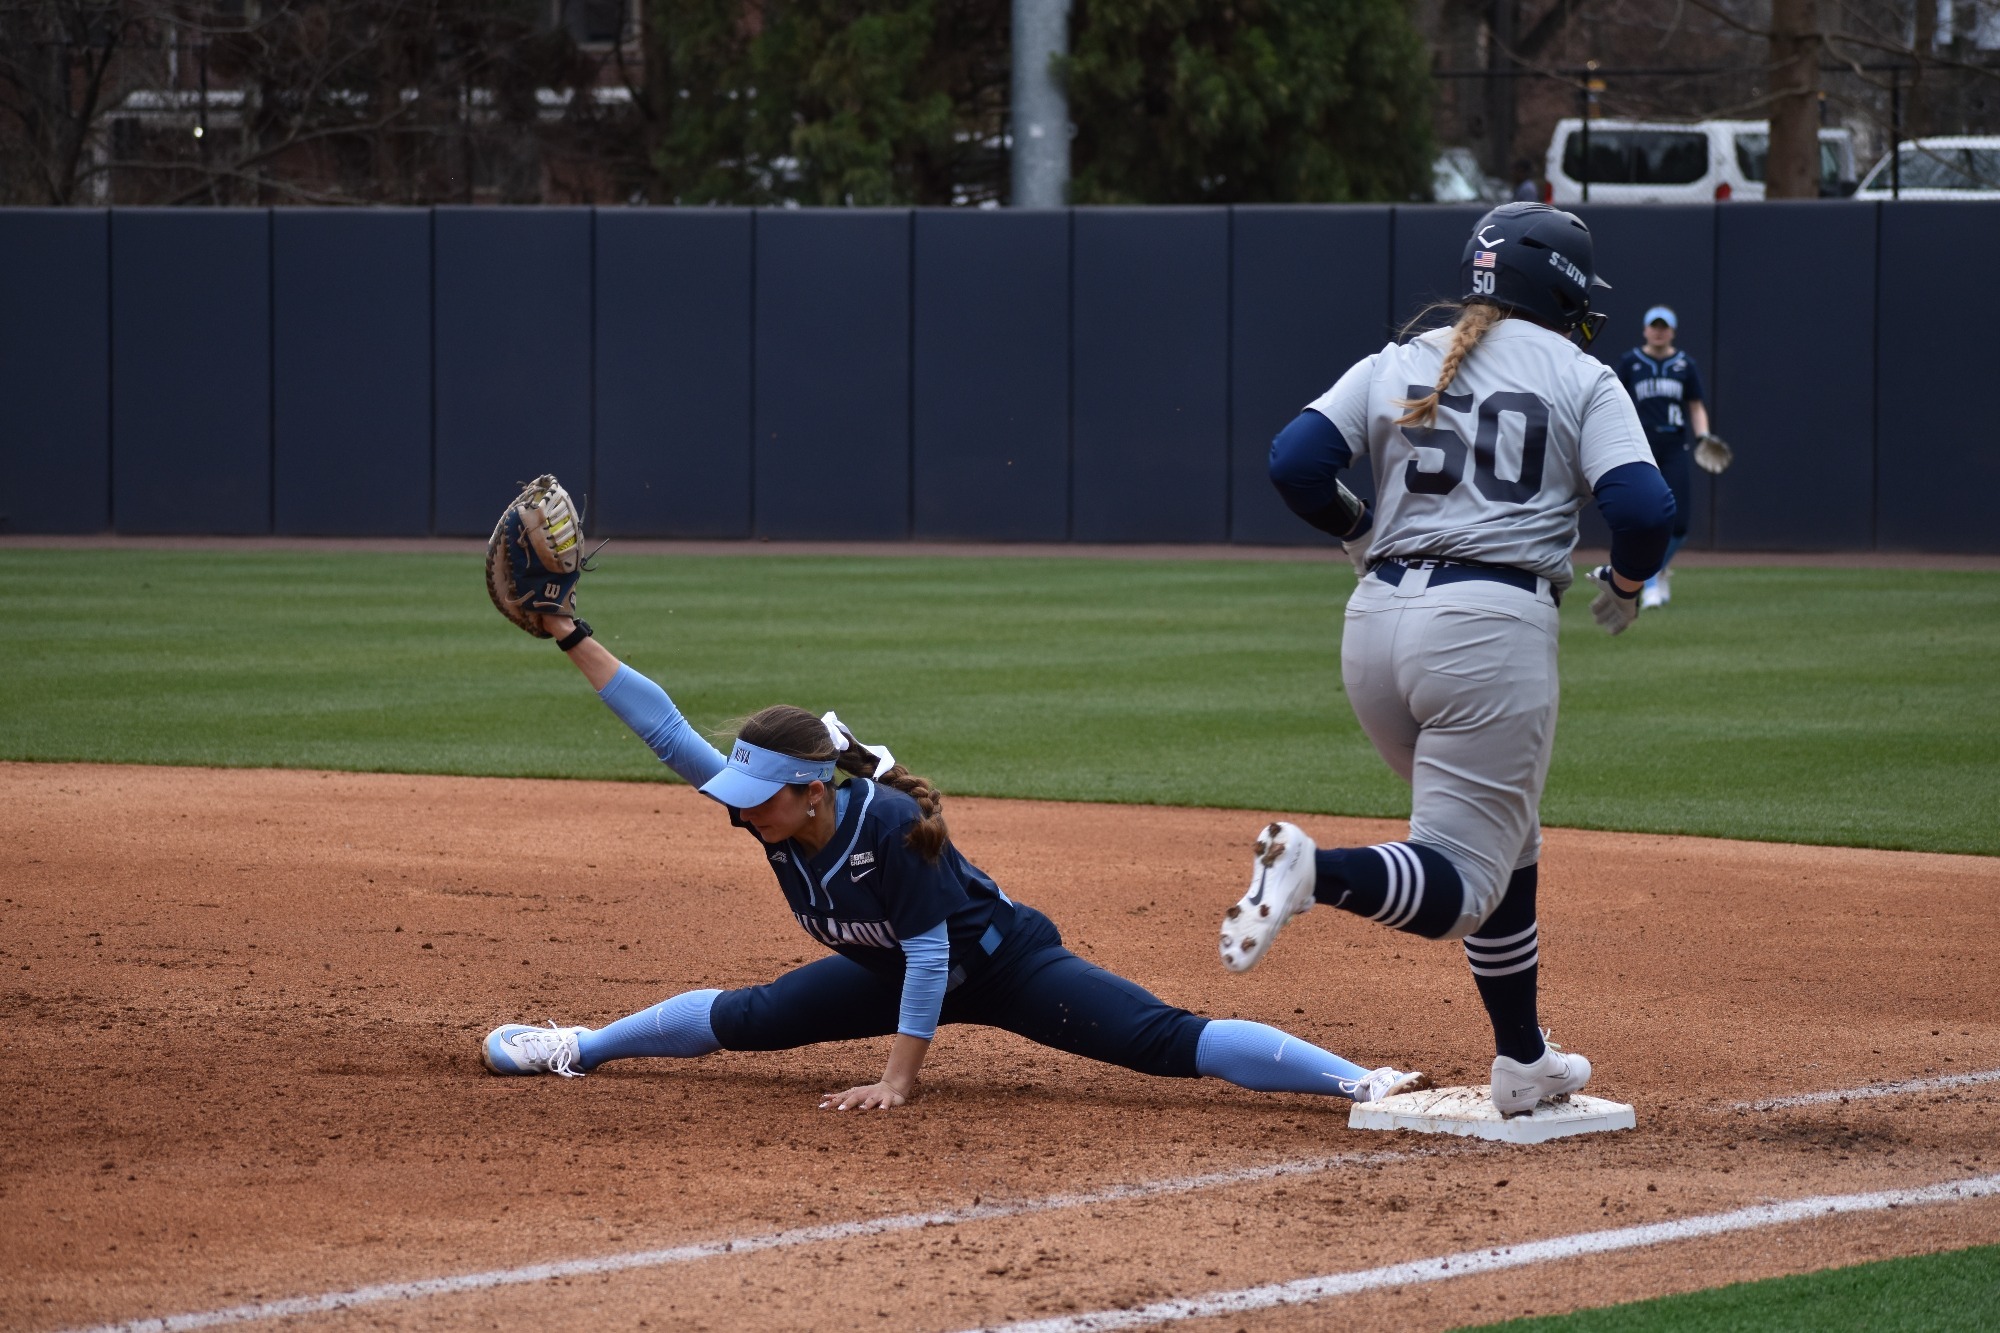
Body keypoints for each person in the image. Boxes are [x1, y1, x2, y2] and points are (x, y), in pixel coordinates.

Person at [480, 608, 1425, 1111]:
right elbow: (665, 726)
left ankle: (1359, 1079)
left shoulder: (884, 823)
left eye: (759, 794)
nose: (740, 809)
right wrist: (569, 629)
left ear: (814, 788)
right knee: (751, 1016)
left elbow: (933, 957)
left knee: (1160, 1041)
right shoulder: (769, 808)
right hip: (885, 972)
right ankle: (579, 1046)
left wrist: (898, 1079)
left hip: (1006, 964)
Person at [1220, 202, 1675, 1117]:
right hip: (1487, 629)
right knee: (1463, 881)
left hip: (1376, 624)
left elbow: (1294, 461)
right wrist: (1624, 586)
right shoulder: (1581, 373)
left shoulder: (1400, 357)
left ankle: (1523, 1059)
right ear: (1563, 289)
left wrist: (1358, 527)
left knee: (1509, 840)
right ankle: (1316, 870)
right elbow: (1647, 509)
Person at [1615, 306, 1710, 608]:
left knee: (1679, 525)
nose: (1658, 331)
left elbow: (1695, 405)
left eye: (1664, 326)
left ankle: (1651, 573)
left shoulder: (1684, 364)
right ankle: (1652, 581)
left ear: (1672, 330)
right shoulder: (1631, 362)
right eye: (1654, 326)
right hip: (1640, 447)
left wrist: (1704, 437)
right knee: (1645, 518)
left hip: (1673, 447)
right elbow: (1616, 401)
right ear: (1645, 329)